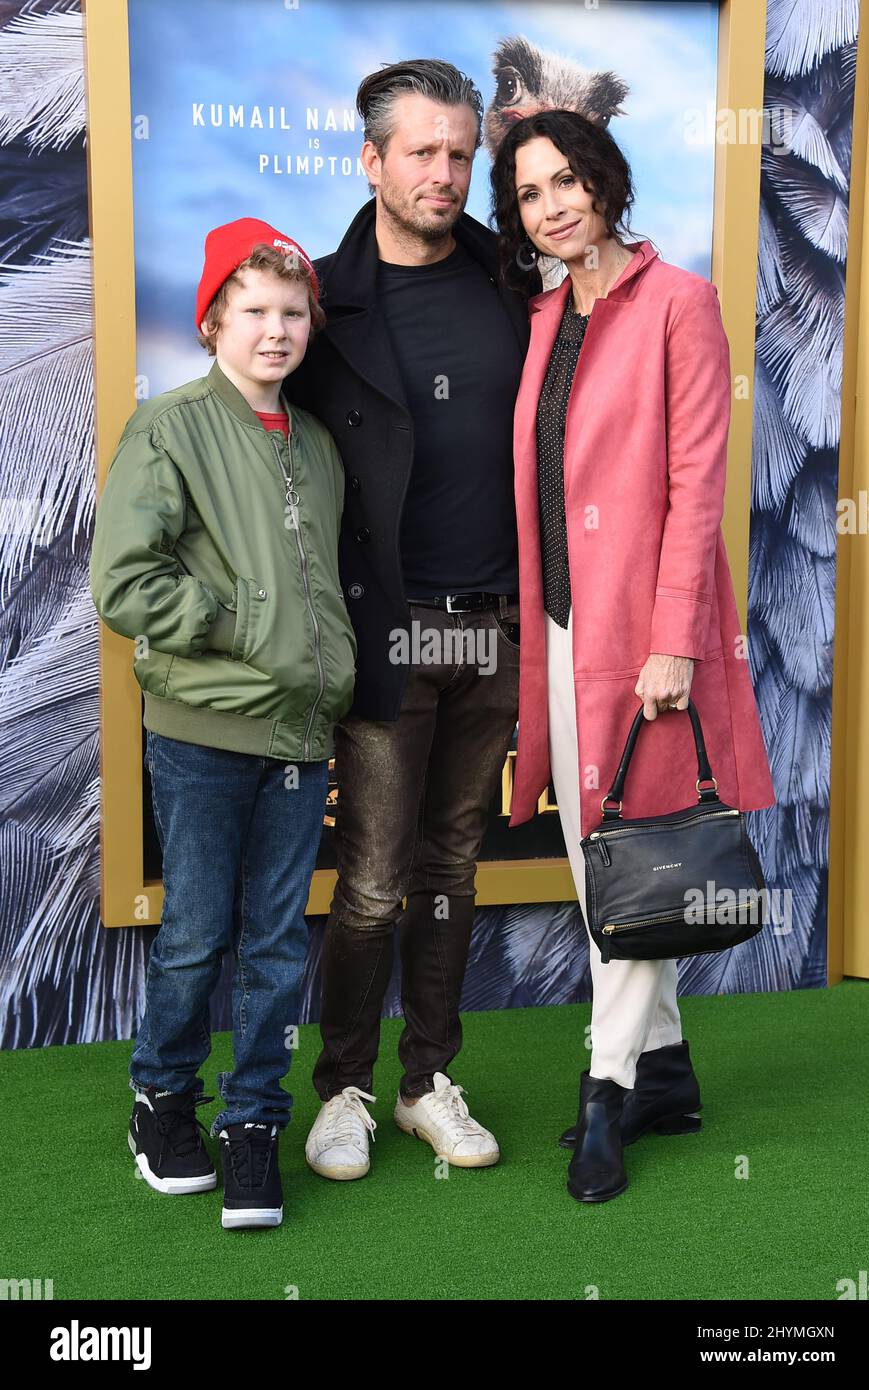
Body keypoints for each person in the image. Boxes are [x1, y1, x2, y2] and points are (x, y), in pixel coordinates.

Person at [490, 111, 776, 1203]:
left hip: (646, 644)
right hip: (563, 635)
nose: (554, 204)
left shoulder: (681, 304)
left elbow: (697, 486)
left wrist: (671, 643)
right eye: (529, 193)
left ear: (606, 182)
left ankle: (607, 1091)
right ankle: (668, 1070)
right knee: (607, 860)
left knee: (632, 855)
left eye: (568, 180)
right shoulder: (545, 315)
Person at [283, 60, 542, 1180]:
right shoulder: (320, 305)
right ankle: (341, 1086)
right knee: (376, 879)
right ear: (372, 161)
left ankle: (427, 1078)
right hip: (390, 633)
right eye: (422, 152)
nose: (445, 173)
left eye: (459, 152)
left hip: (496, 627)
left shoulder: (517, 278)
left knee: (454, 866)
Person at [89, 218, 357, 1229]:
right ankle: (163, 1097)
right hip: (204, 732)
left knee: (280, 944)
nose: (276, 330)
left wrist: (331, 674)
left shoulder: (320, 445)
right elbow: (124, 582)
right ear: (212, 323)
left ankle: (253, 1120)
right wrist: (243, 619)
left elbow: (322, 584)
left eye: (293, 312)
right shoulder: (171, 429)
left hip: (300, 736)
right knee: (198, 934)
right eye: (253, 311)